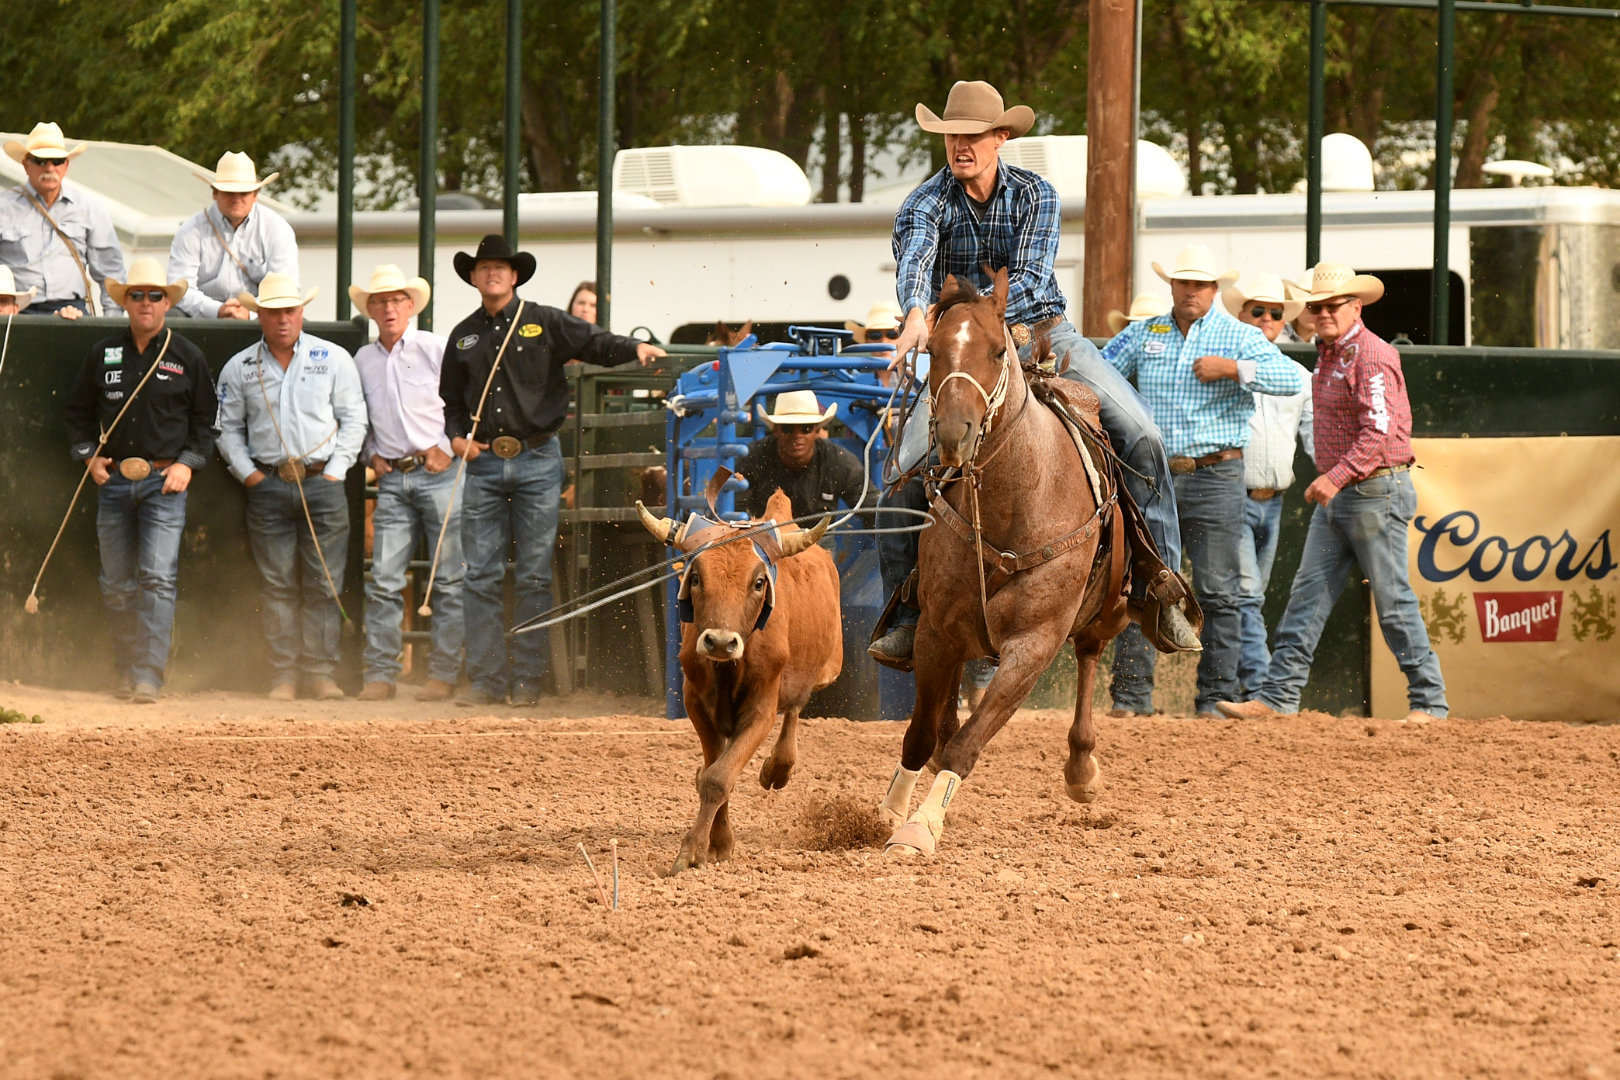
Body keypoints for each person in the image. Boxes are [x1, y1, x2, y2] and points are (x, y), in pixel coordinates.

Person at [870, 79, 1199, 666]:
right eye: (952, 136)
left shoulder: (1035, 194)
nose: (961, 146)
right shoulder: (924, 203)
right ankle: (909, 609)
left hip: (1045, 334)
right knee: (898, 477)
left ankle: (1158, 584)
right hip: (966, 355)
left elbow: (1030, 274)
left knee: (1141, 434)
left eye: (974, 135)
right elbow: (915, 259)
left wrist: (961, 314)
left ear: (1001, 137)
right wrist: (917, 311)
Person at [440, 235, 666, 707]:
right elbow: (452, 402)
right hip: (484, 462)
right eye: (484, 267)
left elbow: (594, 341)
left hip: (537, 457)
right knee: (480, 575)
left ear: (514, 275)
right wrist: (458, 438)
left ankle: (526, 680)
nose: (492, 273)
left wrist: (635, 348)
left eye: (500, 266)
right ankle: (486, 681)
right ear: (474, 277)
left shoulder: (544, 321)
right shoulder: (462, 336)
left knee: (533, 576)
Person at [1219, 263, 1448, 725]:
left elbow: (1378, 431)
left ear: (1355, 307)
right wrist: (1336, 479)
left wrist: (1333, 476)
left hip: (1371, 489)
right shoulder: (1331, 354)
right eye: (1317, 306)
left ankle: (1429, 700)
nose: (1323, 313)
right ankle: (1278, 696)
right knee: (1307, 597)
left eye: (1333, 305)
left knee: (1391, 600)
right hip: (1351, 490)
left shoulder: (1371, 355)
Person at [1103, 245, 1304, 716]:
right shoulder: (1145, 332)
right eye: (1183, 283)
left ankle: (1214, 697)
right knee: (1145, 582)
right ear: (1171, 286)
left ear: (1214, 289)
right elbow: (1103, 373)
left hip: (1215, 473)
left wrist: (1234, 369)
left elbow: (1290, 378)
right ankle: (1132, 698)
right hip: (1156, 475)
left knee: (1219, 590)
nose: (1191, 291)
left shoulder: (1238, 335)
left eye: (1199, 284)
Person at [62, 259, 214, 703]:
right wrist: (89, 457)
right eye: (137, 295)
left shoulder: (188, 355)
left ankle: (148, 673)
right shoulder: (103, 352)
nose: (146, 303)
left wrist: (187, 464)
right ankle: (127, 667)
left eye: (154, 295)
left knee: (157, 578)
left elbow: (207, 421)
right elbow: (77, 413)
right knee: (116, 584)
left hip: (164, 480)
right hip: (113, 481)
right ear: (125, 302)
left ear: (167, 302)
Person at [215, 273, 367, 700]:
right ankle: (283, 673)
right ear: (260, 316)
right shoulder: (240, 367)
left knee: (324, 581)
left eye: (289, 310)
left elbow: (354, 418)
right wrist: (249, 474)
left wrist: (337, 470)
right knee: (277, 583)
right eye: (273, 312)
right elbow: (226, 429)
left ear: (301, 313)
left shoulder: (333, 358)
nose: (282, 319)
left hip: (322, 482)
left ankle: (319, 672)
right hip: (268, 483)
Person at [351, 264, 462, 702]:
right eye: (380, 301)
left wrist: (446, 446)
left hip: (440, 472)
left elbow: (464, 399)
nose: (389, 308)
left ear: (411, 305)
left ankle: (443, 673)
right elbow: (357, 415)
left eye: (397, 300)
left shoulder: (435, 348)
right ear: (371, 309)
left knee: (448, 578)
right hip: (394, 476)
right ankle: (381, 673)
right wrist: (371, 454)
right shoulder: (362, 361)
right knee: (384, 579)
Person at [1223, 271, 1313, 697]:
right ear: (1241, 315)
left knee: (1247, 595)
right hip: (1232, 496)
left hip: (1272, 499)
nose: (1266, 319)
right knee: (1247, 595)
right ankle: (1260, 687)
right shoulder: (1224, 367)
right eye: (1258, 311)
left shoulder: (1299, 376)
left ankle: (1236, 688)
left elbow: (1313, 436)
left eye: (1275, 314)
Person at [0, 122, 125, 318]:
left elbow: (111, 272)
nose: (49, 167)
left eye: (57, 161)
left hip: (73, 313)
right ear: (26, 165)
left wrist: (112, 324)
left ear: (66, 165)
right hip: (17, 313)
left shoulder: (89, 208)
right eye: (41, 161)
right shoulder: (3, 207)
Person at [167, 151, 298, 320]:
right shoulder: (190, 230)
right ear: (215, 194)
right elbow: (180, 290)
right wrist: (218, 310)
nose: (236, 199)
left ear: (255, 195)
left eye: (243, 193)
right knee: (172, 315)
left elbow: (285, 289)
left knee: (293, 321)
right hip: (204, 319)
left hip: (262, 319)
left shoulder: (277, 228)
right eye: (229, 193)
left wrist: (250, 313)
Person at [735, 390, 868, 520]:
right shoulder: (753, 457)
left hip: (820, 535)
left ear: (817, 430)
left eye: (806, 428)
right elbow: (733, 508)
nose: (797, 436)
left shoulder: (838, 461)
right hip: (764, 534)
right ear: (775, 430)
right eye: (788, 428)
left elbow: (871, 508)